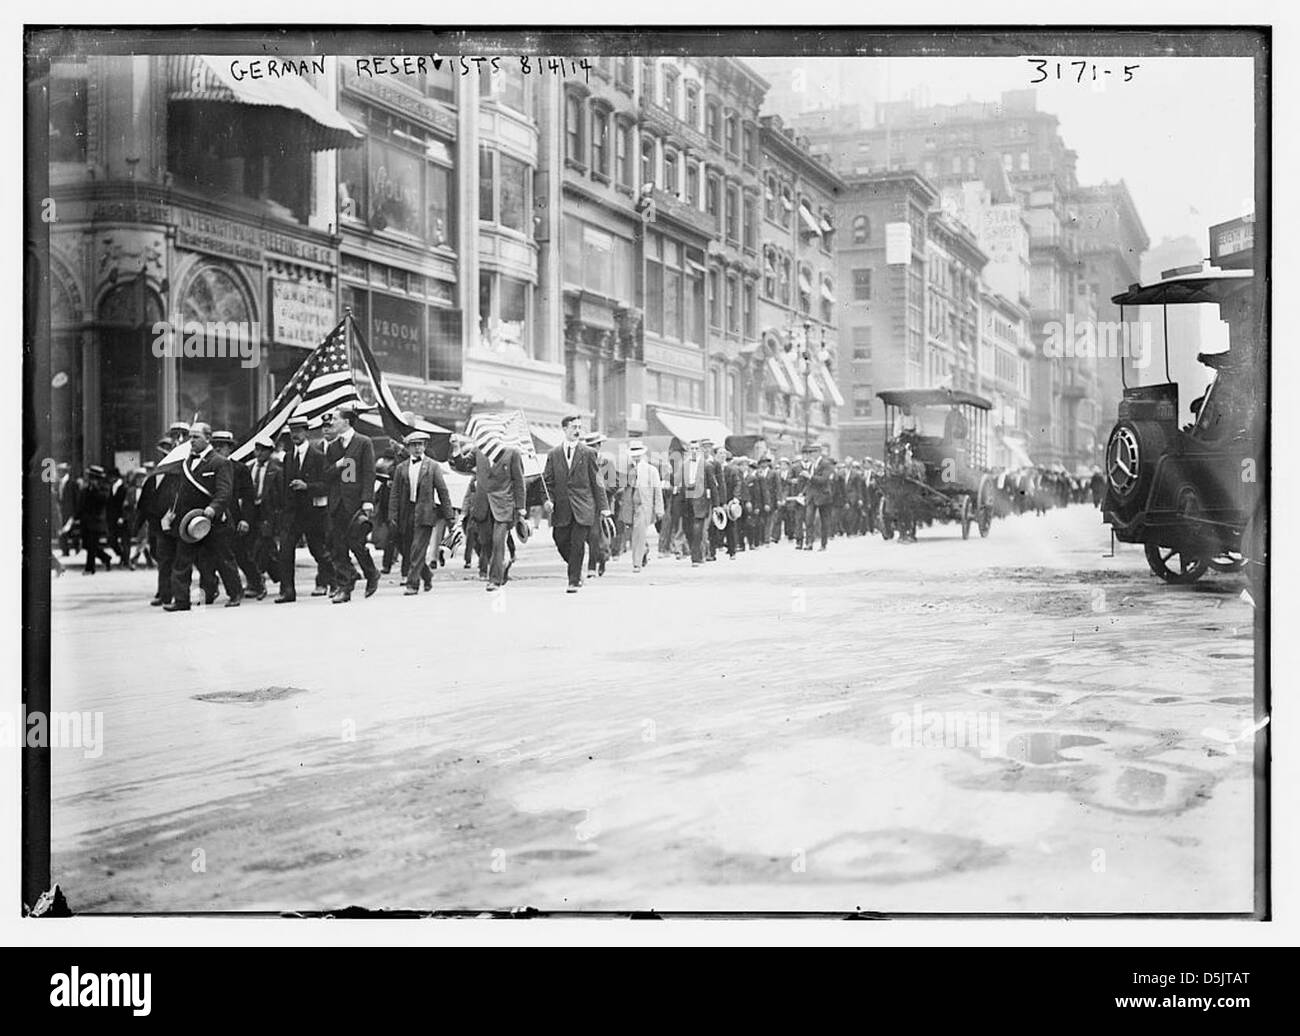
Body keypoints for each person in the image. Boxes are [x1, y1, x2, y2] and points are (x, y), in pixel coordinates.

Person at [164, 423, 242, 610]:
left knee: (224, 559)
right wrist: (172, 513)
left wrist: (213, 508)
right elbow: (180, 493)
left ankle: (235, 593)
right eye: (190, 437)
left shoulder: (220, 462)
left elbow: (224, 492)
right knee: (182, 561)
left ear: (208, 439)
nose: (191, 441)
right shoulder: (186, 463)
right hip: (190, 521)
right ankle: (181, 600)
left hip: (214, 521)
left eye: (196, 437)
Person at [542, 414, 610, 593]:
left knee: (578, 543)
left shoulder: (588, 453)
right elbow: (547, 482)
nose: (577, 430)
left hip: (584, 507)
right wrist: (548, 500)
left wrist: (604, 507)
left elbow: (598, 482)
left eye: (579, 427)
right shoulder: (554, 454)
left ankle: (573, 581)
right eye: (573, 427)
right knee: (560, 540)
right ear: (564, 429)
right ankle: (576, 567)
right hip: (562, 509)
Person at [274, 416, 334, 604]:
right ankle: (288, 591)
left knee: (318, 551)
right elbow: (284, 486)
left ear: (306, 432)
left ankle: (337, 580)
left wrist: (306, 486)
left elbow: (326, 485)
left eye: (299, 431)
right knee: (285, 552)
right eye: (292, 431)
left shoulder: (318, 456)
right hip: (292, 513)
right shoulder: (288, 456)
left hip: (312, 513)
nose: (295, 435)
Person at [322, 404, 378, 603]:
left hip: (355, 504)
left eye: (336, 419)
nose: (332, 422)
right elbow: (326, 475)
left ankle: (371, 573)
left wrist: (367, 501)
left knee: (357, 544)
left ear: (346, 421)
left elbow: (368, 473)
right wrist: (337, 466)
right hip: (337, 503)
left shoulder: (363, 442)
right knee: (338, 546)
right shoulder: (333, 447)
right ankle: (345, 586)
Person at [389, 431, 454, 595]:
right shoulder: (401, 468)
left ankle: (412, 583)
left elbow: (443, 492)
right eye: (414, 445)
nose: (417, 448)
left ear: (425, 446)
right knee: (407, 549)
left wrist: (449, 518)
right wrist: (392, 516)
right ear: (408, 447)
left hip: (425, 513)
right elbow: (395, 494)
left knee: (417, 549)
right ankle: (426, 574)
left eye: (420, 444)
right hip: (406, 512)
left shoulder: (432, 466)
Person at [212, 430, 266, 599]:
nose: (219, 449)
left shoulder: (239, 469)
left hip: (235, 518)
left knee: (242, 555)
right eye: (216, 446)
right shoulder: (209, 467)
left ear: (230, 448)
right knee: (213, 557)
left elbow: (248, 497)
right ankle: (213, 589)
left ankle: (257, 583)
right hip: (215, 518)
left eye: (223, 446)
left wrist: (245, 519)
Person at [475, 435, 527, 592]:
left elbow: (519, 481)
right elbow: (462, 465)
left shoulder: (512, 453)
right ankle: (502, 564)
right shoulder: (479, 452)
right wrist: (456, 451)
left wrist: (520, 506)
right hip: (483, 504)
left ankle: (494, 580)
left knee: (499, 542)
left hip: (504, 505)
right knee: (485, 542)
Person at [619, 439, 663, 572]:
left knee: (638, 532)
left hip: (644, 505)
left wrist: (659, 509)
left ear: (643, 454)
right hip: (629, 505)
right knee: (634, 532)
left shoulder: (651, 470)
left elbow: (657, 490)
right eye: (633, 454)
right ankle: (643, 549)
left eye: (638, 453)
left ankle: (636, 563)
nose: (636, 456)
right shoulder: (627, 469)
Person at [246, 435, 283, 591]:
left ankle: (258, 579)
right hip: (251, 512)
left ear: (270, 452)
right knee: (252, 546)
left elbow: (281, 496)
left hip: (268, 512)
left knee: (263, 545)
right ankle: (272, 575)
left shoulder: (276, 470)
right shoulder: (249, 468)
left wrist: (277, 517)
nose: (259, 453)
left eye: (263, 450)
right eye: (257, 450)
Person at [673, 439, 717, 568]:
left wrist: (717, 505)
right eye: (691, 449)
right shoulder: (684, 465)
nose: (693, 451)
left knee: (698, 528)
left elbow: (713, 486)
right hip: (687, 499)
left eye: (696, 449)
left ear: (700, 451)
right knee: (687, 529)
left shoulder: (707, 466)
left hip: (701, 499)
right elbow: (679, 485)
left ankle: (696, 557)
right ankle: (698, 551)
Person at [584, 431, 614, 577]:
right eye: (590, 446)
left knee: (596, 535)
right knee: (586, 536)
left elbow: (613, 485)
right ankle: (598, 558)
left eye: (595, 446)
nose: (593, 449)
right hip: (585, 503)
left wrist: (602, 491)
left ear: (599, 446)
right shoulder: (582, 461)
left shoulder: (606, 463)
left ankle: (596, 563)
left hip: (601, 505)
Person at [77, 465, 113, 574]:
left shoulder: (104, 487)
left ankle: (90, 568)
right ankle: (106, 557)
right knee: (87, 545)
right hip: (86, 521)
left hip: (97, 521)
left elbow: (104, 499)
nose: (91, 479)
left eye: (93, 477)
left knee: (92, 545)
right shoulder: (86, 488)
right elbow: (82, 503)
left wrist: (95, 489)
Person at [803, 442, 835, 551]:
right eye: (811, 452)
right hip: (811, 496)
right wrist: (803, 493)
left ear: (819, 452)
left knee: (824, 521)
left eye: (814, 451)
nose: (812, 454)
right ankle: (809, 543)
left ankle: (823, 544)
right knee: (808, 520)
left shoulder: (826, 464)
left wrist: (810, 476)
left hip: (823, 496)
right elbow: (809, 482)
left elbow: (823, 480)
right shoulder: (812, 465)